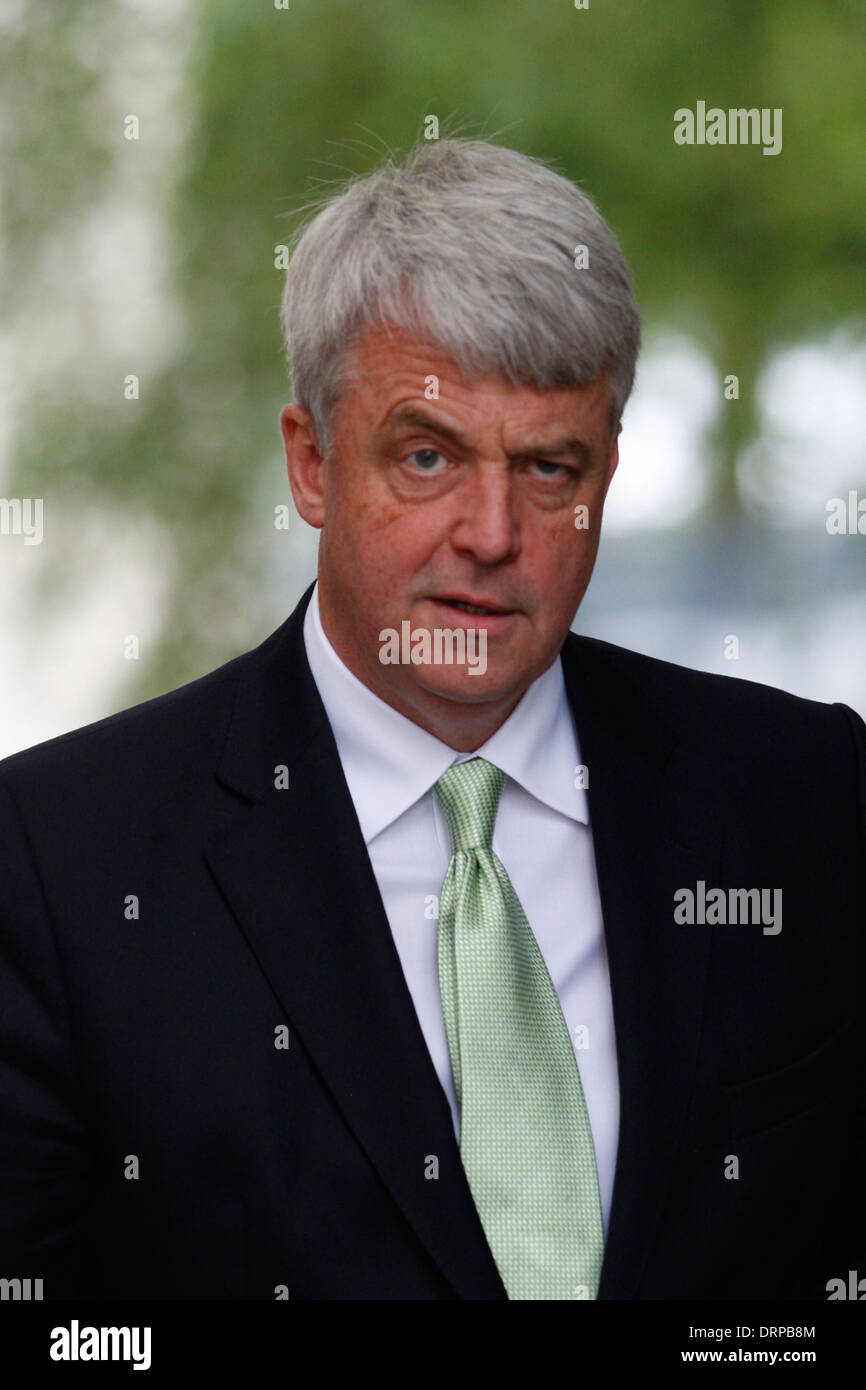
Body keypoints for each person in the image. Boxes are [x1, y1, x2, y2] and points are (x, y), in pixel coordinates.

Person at [0, 138, 862, 1301]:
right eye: (425, 456)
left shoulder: (805, 794)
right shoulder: (59, 861)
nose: (491, 533)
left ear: (607, 470)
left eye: (548, 468)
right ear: (309, 463)